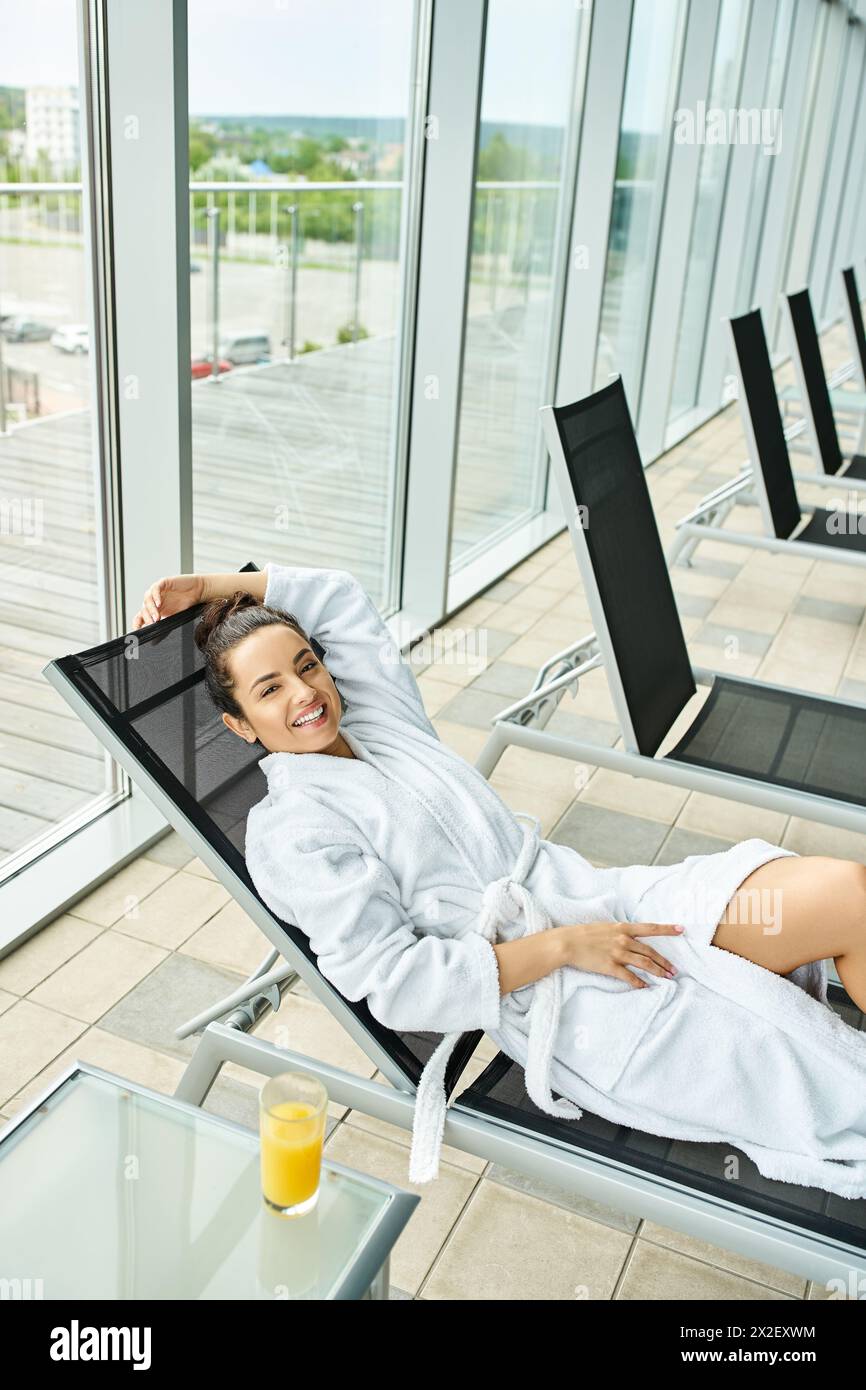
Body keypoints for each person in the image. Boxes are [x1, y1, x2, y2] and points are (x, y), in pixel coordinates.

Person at [132, 562, 866, 1196]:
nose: (304, 693)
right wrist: (564, 948)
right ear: (240, 725)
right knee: (830, 1088)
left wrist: (212, 587)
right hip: (567, 996)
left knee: (851, 897)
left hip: (605, 896)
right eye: (269, 690)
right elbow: (396, 983)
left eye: (307, 664)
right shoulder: (292, 831)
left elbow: (342, 597)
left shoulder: (382, 721)